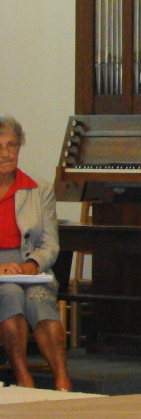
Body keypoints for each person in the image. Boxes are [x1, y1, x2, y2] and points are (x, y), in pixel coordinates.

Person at [0, 115, 72, 391]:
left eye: (12, 145)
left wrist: (32, 265)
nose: (7, 153)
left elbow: (50, 243)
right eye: (0, 147)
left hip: (31, 268)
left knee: (40, 300)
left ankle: (62, 381)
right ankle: (23, 378)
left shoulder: (39, 189)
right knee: (9, 295)